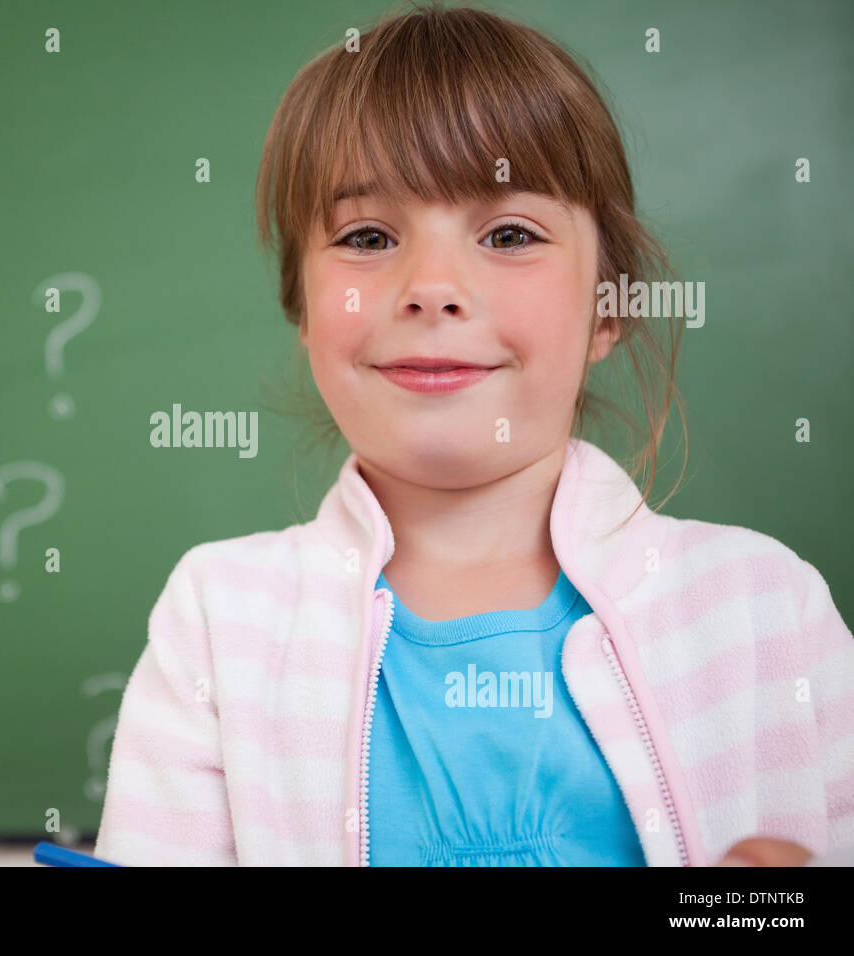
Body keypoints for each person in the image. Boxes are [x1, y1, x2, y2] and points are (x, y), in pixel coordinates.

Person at [93, 2, 854, 866]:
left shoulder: (763, 611)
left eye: (509, 234)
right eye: (369, 236)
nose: (433, 288)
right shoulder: (220, 619)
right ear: (302, 310)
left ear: (610, 308)